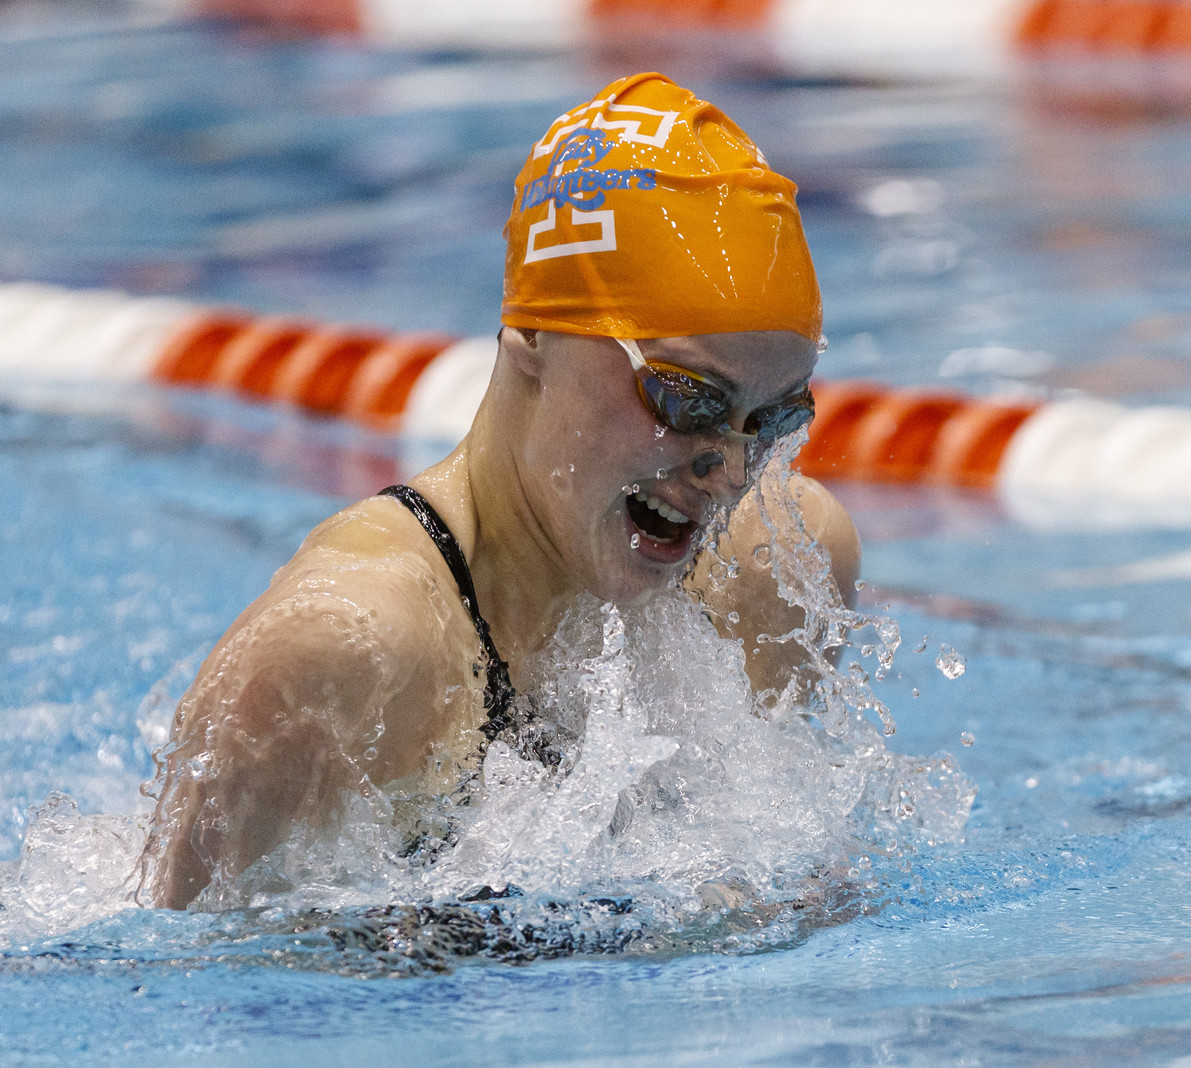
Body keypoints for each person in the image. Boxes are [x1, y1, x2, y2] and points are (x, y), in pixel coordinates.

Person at [139, 74, 860, 910]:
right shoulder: (352, 654)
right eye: (685, 399)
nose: (730, 471)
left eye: (769, 418)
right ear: (533, 341)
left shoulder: (765, 579)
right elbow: (173, 982)